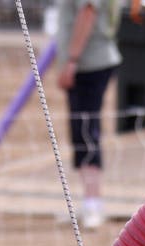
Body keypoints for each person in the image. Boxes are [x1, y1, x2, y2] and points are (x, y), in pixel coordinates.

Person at [56, 0, 122, 229]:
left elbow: (87, 11)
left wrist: (72, 60)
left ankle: (94, 202)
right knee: (82, 132)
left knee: (86, 132)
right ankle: (88, 201)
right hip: (90, 61)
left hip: (89, 63)